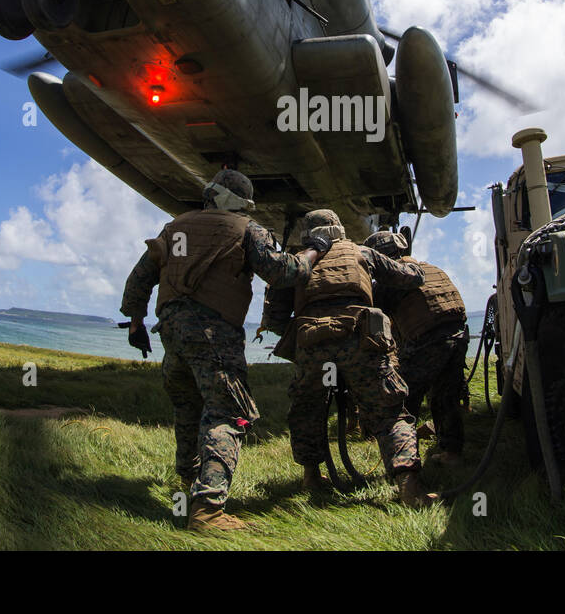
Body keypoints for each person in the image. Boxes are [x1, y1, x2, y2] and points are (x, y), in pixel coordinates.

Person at [120, 169, 326, 533]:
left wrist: (136, 324)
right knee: (228, 414)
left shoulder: (174, 228)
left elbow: (139, 279)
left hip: (171, 332)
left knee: (187, 407)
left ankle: (187, 485)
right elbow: (282, 273)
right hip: (214, 334)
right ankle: (208, 510)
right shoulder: (246, 229)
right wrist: (313, 251)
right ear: (242, 203)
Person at [263, 209, 436, 507]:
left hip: (312, 342)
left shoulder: (298, 261)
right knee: (389, 409)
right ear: (340, 229)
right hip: (360, 338)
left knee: (307, 409)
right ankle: (408, 487)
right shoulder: (362, 252)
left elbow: (276, 318)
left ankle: (311, 476)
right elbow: (411, 277)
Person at [364, 231, 468, 466]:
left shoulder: (393, 278)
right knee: (446, 396)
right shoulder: (430, 268)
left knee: (401, 402)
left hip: (429, 341)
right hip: (458, 335)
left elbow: (372, 312)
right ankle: (452, 453)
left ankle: (404, 465)